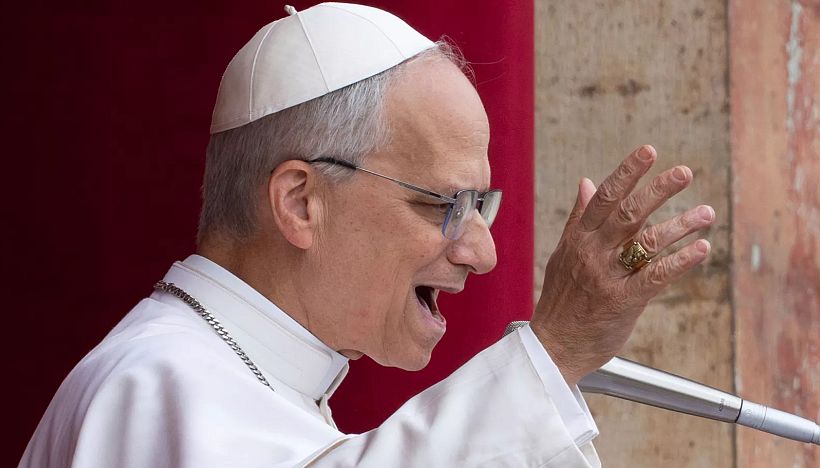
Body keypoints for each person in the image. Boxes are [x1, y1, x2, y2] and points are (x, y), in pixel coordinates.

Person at [20, 3, 715, 467]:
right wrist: (553, 353)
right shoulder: (153, 384)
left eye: (483, 204)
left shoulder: (248, 381)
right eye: (446, 202)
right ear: (300, 202)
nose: (483, 251)